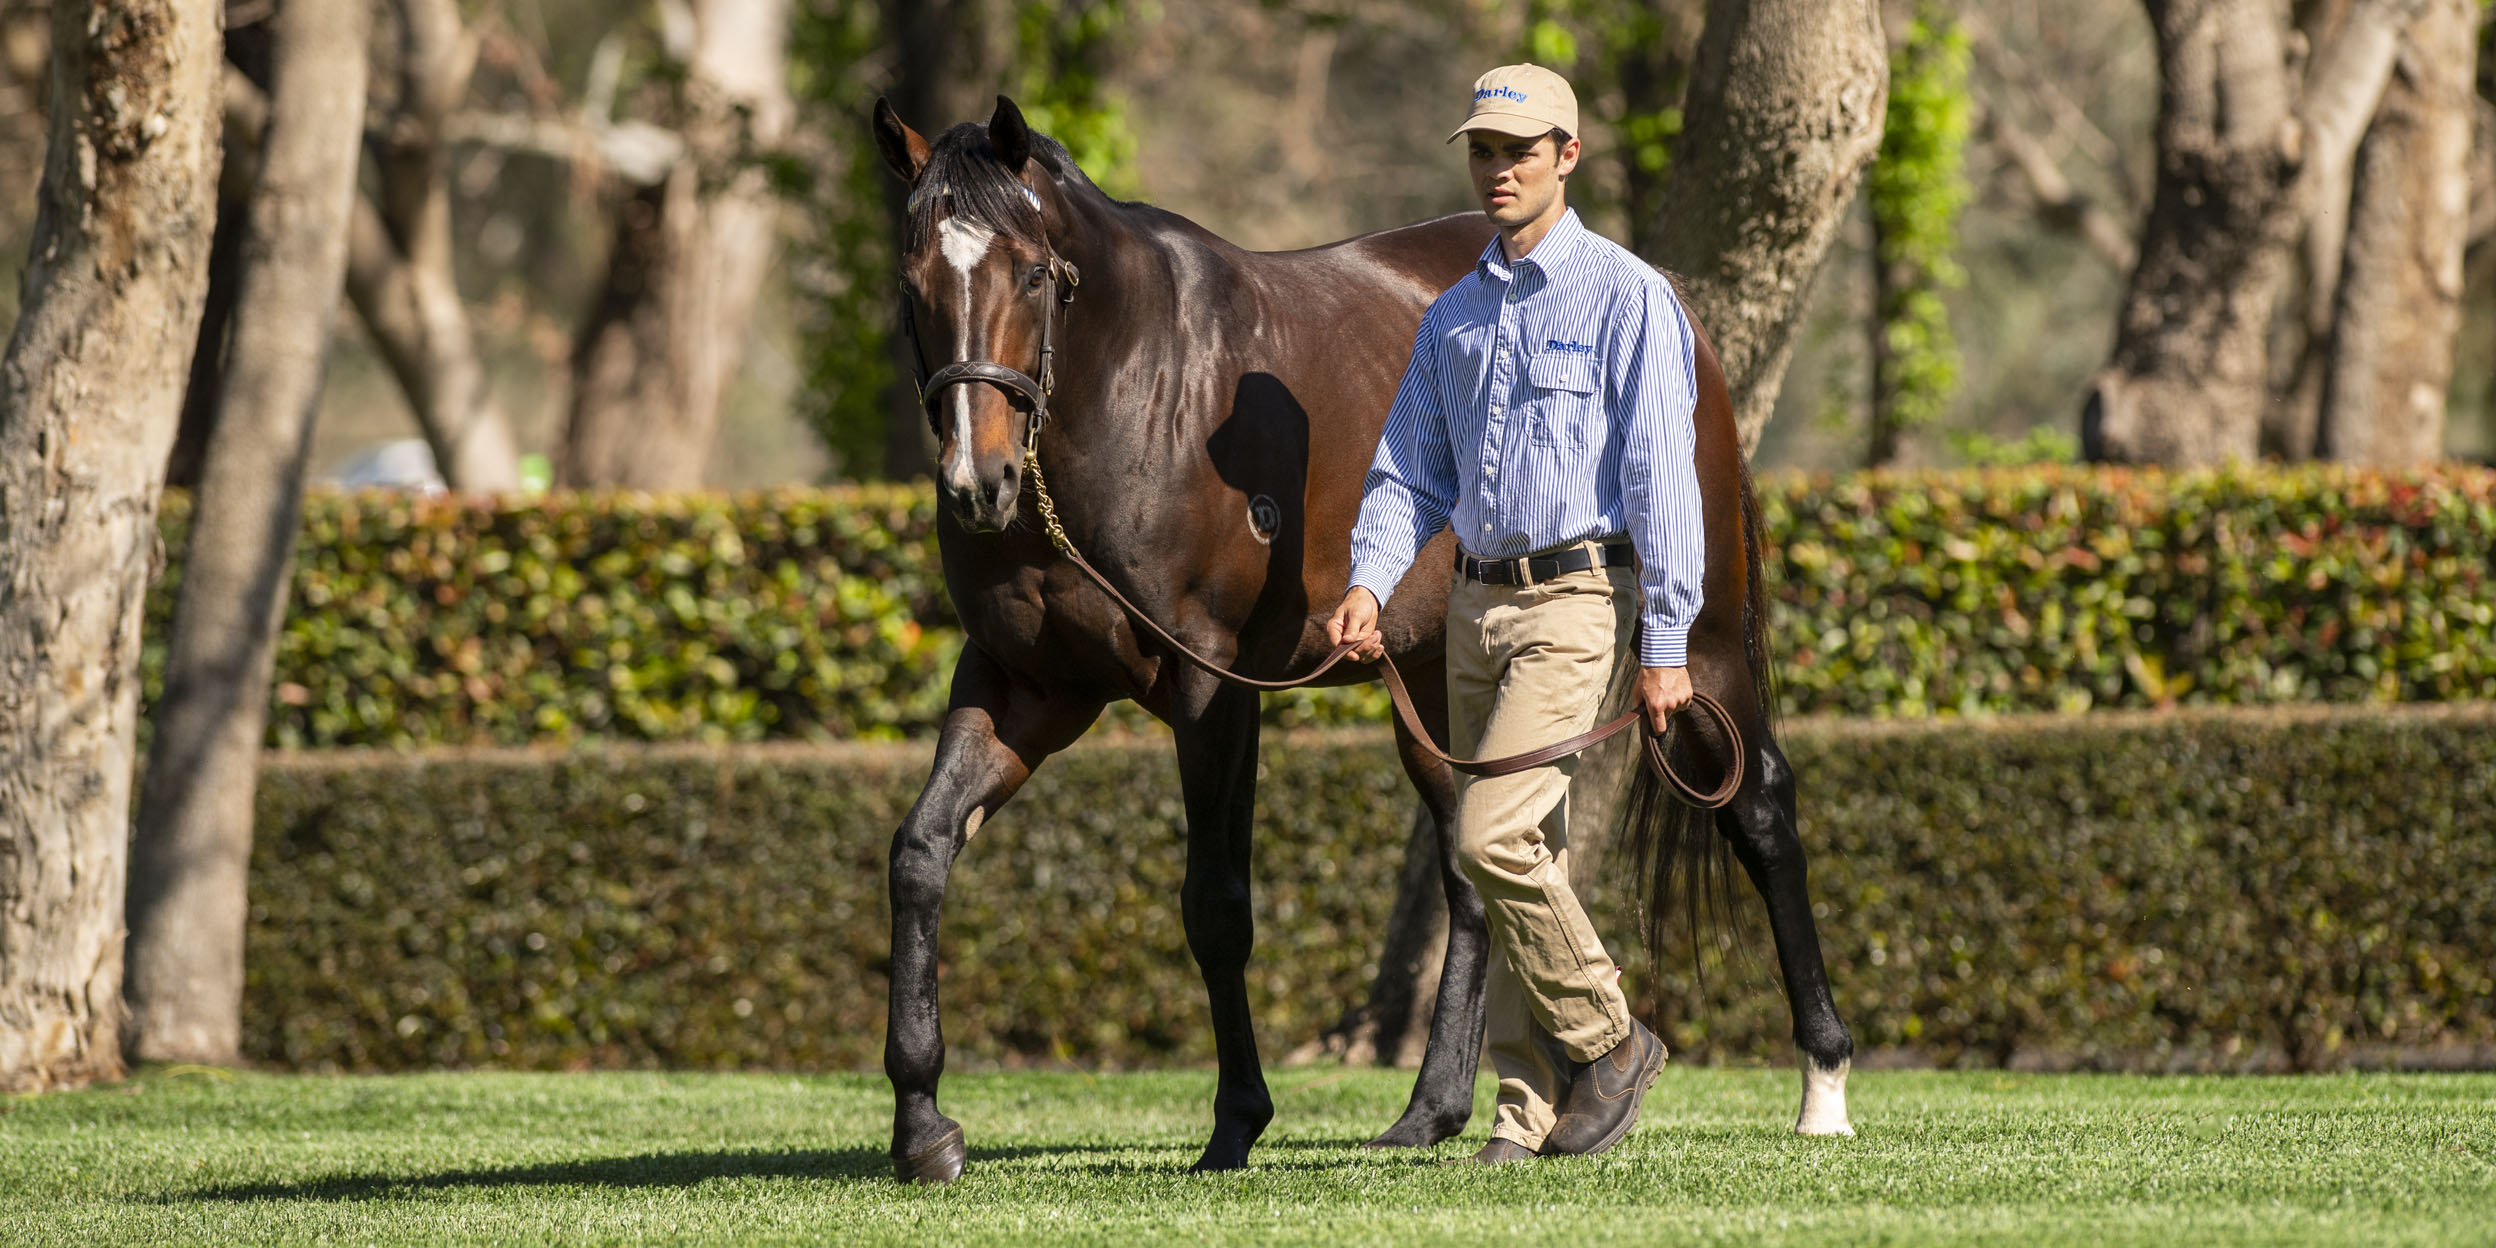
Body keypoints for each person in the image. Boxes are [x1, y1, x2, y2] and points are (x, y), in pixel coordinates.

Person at [1326, 62, 1702, 1164]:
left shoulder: (1628, 294)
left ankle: (1612, 1039)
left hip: (1579, 603)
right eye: (1485, 152)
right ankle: (1524, 1109)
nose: (1499, 170)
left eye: (1521, 151)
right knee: (1521, 846)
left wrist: (1668, 641)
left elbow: (1663, 478)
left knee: (1486, 834)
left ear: (1567, 157)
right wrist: (1367, 583)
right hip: (1473, 609)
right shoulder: (1449, 319)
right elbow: (1405, 477)